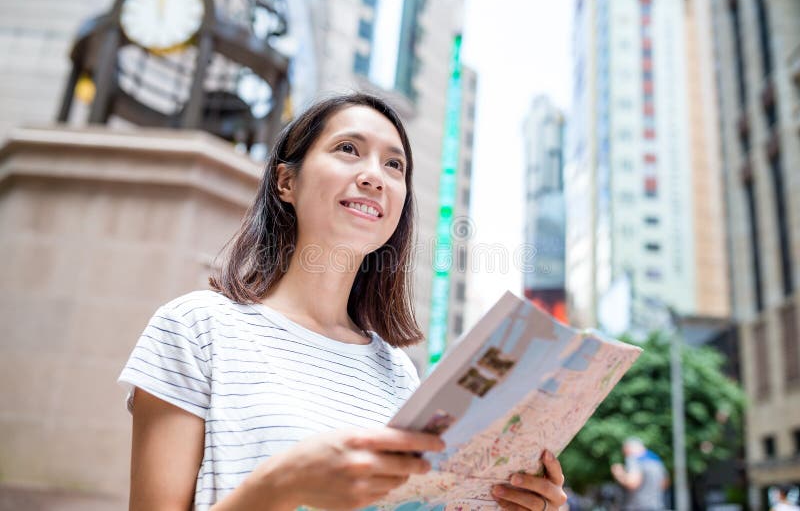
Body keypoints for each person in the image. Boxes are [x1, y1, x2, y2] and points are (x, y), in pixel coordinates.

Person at [118, 93, 568, 511]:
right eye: (348, 149)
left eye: (395, 165)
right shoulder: (195, 327)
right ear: (285, 181)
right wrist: (282, 483)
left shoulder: (398, 373)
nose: (374, 176)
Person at [610, 437, 667, 511]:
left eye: (624, 451)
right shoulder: (656, 460)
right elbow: (665, 484)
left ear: (628, 448)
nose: (625, 455)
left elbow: (632, 484)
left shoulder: (634, 459)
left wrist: (619, 474)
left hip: (637, 506)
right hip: (656, 505)